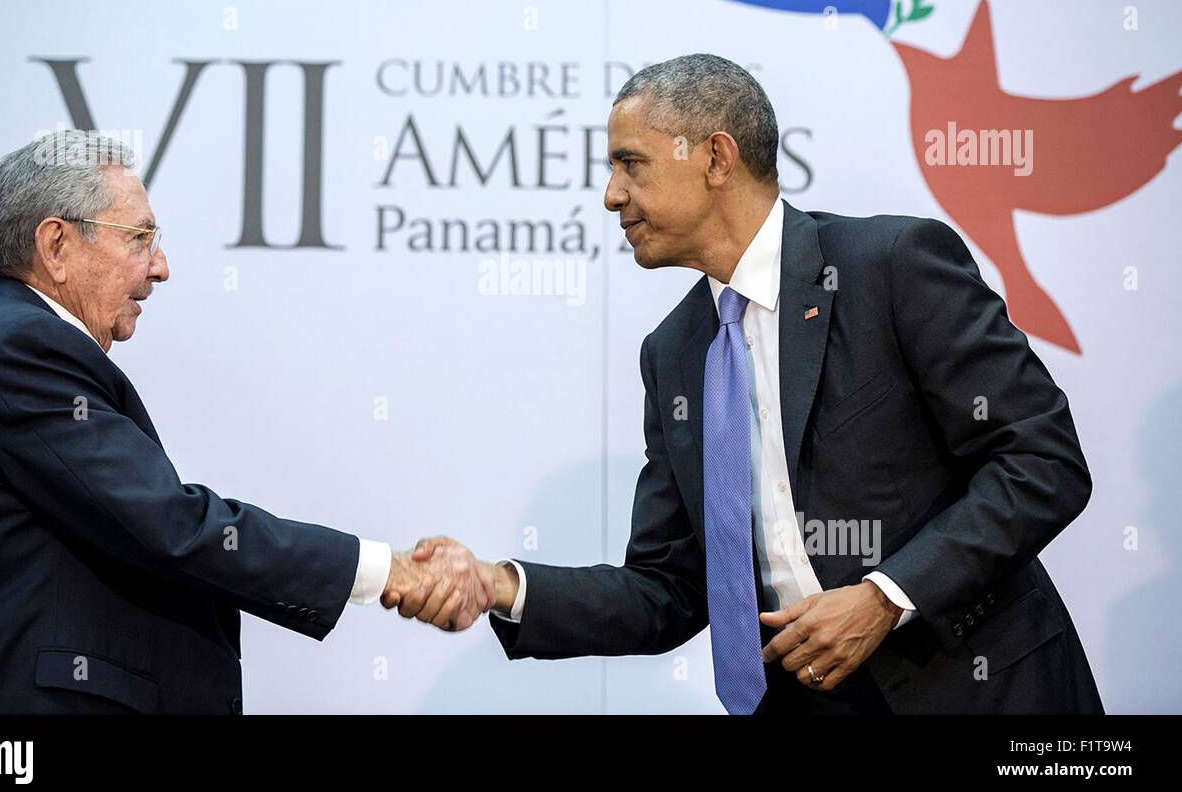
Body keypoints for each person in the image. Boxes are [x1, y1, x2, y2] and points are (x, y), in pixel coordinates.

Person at [398, 54, 1105, 715]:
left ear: (715, 158)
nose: (612, 195)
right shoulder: (674, 353)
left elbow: (1042, 461)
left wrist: (886, 597)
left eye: (630, 165)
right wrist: (499, 584)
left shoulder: (890, 266)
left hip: (984, 693)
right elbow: (667, 590)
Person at [0, 130, 492, 713]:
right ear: (57, 246)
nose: (161, 267)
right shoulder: (20, 352)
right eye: (140, 238)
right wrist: (386, 572)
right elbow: (171, 525)